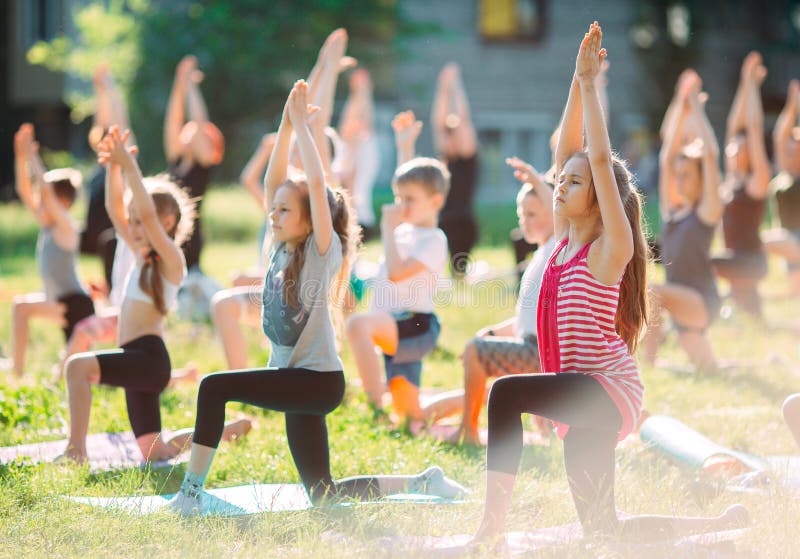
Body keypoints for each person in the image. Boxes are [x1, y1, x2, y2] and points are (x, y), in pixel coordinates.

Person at [470, 23, 748, 546]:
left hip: (607, 390)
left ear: (598, 198)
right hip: (581, 393)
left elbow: (595, 158)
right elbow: (568, 153)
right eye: (562, 181)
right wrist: (577, 82)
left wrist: (594, 88)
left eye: (574, 184)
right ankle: (717, 528)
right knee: (604, 533)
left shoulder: (609, 249)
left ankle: (490, 529)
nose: (561, 187)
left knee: (505, 395)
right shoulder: (561, 241)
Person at [168, 81, 464, 514]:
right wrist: (287, 126)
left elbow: (319, 194)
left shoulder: (320, 254)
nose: (274, 214)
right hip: (297, 380)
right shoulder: (282, 247)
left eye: (285, 210)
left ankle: (189, 495)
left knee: (213, 388)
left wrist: (306, 132)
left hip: (315, 380)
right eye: (275, 209)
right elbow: (274, 183)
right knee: (325, 493)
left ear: (310, 222)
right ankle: (423, 482)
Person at [60, 127, 248, 464]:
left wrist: (130, 167)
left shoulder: (172, 261)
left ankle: (76, 451)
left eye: (142, 221)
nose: (133, 227)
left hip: (148, 358)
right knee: (154, 453)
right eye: (134, 222)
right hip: (135, 358)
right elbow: (116, 210)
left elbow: (145, 214)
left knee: (77, 367)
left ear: (168, 221)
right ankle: (228, 430)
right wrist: (114, 168)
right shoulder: (140, 254)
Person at [346, 110, 458, 423]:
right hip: (395, 327)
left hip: (416, 327)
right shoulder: (407, 226)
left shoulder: (433, 239)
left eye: (408, 200)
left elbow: (396, 274)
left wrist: (386, 227)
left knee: (357, 325)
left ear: (435, 202)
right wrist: (404, 146)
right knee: (411, 417)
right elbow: (408, 181)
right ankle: (469, 398)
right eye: (398, 197)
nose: (399, 205)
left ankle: (374, 409)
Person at [442, 157, 556, 445]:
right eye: (521, 213)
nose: (523, 220)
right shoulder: (539, 256)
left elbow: (559, 213)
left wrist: (536, 181)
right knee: (480, 346)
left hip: (541, 354)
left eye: (532, 214)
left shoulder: (558, 249)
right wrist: (492, 332)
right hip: (532, 346)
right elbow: (526, 319)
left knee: (476, 352)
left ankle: (468, 432)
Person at [643, 69, 723, 372]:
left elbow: (711, 157)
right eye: (678, 175)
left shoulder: (706, 212)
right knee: (707, 368)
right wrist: (679, 101)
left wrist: (697, 111)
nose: (678, 180)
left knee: (651, 291)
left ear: (701, 180)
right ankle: (758, 364)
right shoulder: (673, 210)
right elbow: (667, 156)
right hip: (682, 305)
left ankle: (647, 365)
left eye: (686, 175)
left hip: (701, 302)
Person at [8, 124, 95, 379]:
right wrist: (21, 157)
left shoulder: (66, 227)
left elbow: (44, 191)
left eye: (48, 200)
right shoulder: (48, 225)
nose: (41, 202)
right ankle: (17, 369)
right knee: (21, 308)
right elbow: (25, 191)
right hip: (60, 303)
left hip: (76, 305)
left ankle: (17, 370)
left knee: (21, 308)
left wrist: (34, 157)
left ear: (63, 202)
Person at [711, 52, 771, 317]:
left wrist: (754, 89)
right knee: (752, 316)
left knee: (700, 260)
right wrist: (745, 83)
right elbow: (733, 125)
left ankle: (706, 307)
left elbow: (753, 128)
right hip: (737, 263)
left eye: (741, 147)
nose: (734, 149)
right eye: (733, 146)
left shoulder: (757, 182)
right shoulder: (732, 180)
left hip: (751, 263)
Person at [164, 55, 225, 272]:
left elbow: (199, 121)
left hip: (190, 241)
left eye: (197, 134)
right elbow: (173, 120)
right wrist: (179, 83)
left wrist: (190, 86)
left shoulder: (203, 167)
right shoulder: (177, 161)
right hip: (168, 236)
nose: (188, 129)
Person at [432, 63, 479, 277]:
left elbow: (463, 119)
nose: (450, 138)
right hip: (446, 220)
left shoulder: (468, 160)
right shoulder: (446, 160)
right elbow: (438, 123)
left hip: (464, 220)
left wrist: (456, 87)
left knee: (459, 271)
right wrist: (443, 88)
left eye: (454, 134)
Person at [763, 80, 800, 296]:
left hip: (795, 239)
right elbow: (780, 136)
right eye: (792, 148)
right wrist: (792, 106)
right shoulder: (784, 171)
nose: (794, 152)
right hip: (785, 239)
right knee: (794, 296)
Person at [338, 68, 380, 239]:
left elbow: (359, 121)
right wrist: (361, 92)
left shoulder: (358, 143)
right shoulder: (353, 143)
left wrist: (362, 91)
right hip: (358, 217)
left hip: (357, 219)